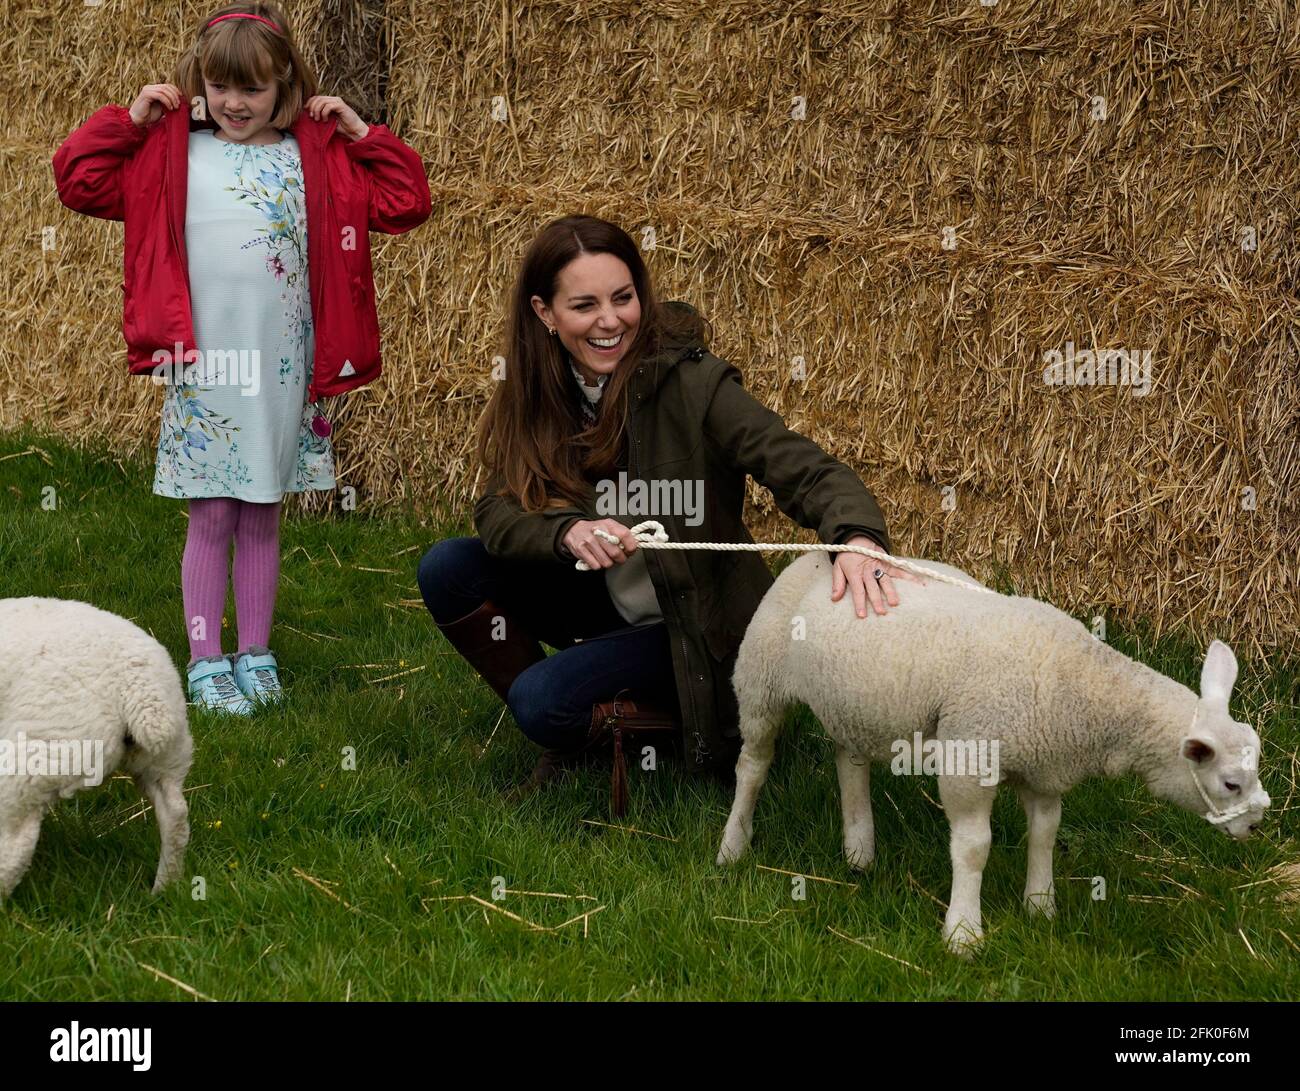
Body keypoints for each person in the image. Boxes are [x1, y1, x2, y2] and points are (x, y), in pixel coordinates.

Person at [418, 214, 921, 798]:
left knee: (540, 703)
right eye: (584, 306)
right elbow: (498, 512)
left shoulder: (694, 385)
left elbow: (808, 469)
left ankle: (653, 723)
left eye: (623, 298)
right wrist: (568, 532)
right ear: (544, 314)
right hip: (606, 595)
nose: (610, 321)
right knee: (448, 568)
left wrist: (856, 539)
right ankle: (594, 716)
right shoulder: (535, 390)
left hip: (693, 621)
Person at [52, 2, 431, 714]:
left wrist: (363, 132)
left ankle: (255, 652)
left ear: (285, 82)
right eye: (221, 86)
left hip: (286, 367)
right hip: (205, 367)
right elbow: (77, 178)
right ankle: (204, 657)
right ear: (199, 80)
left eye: (252, 89)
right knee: (212, 514)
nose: (234, 103)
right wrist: (128, 122)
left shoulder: (311, 157)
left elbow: (408, 202)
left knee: (263, 512)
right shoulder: (171, 154)